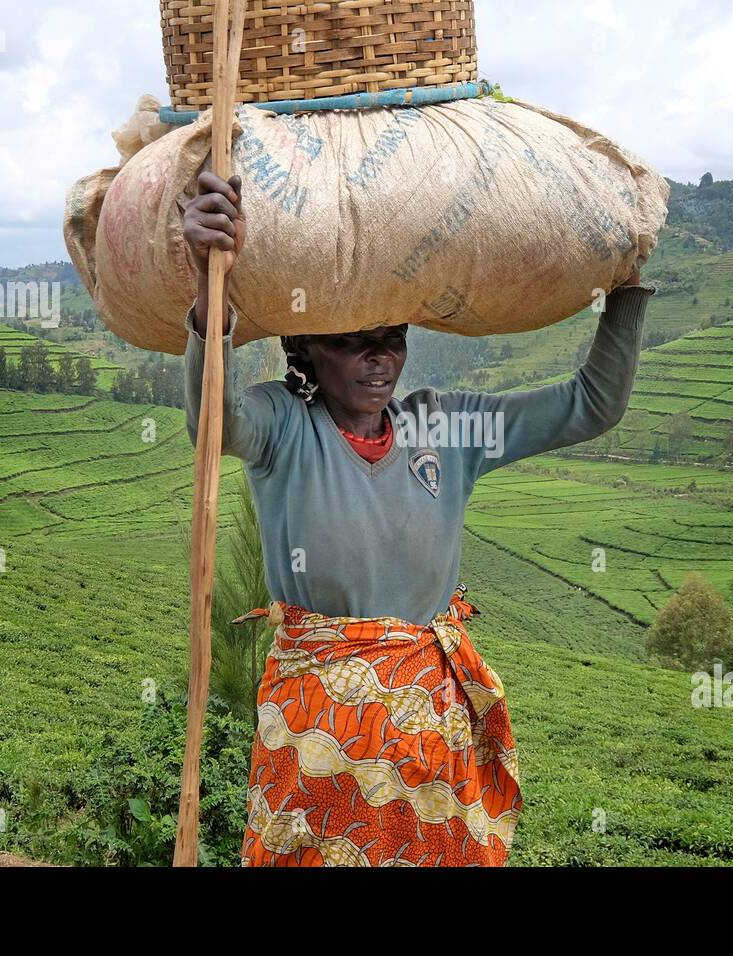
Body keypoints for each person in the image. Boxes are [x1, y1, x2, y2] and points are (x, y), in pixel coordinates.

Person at [183, 170, 652, 866]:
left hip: (431, 722)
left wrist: (625, 287)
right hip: (320, 733)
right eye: (353, 341)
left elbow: (591, 403)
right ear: (304, 347)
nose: (380, 359)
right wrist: (209, 292)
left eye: (392, 337)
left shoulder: (446, 427)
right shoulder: (282, 423)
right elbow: (212, 419)